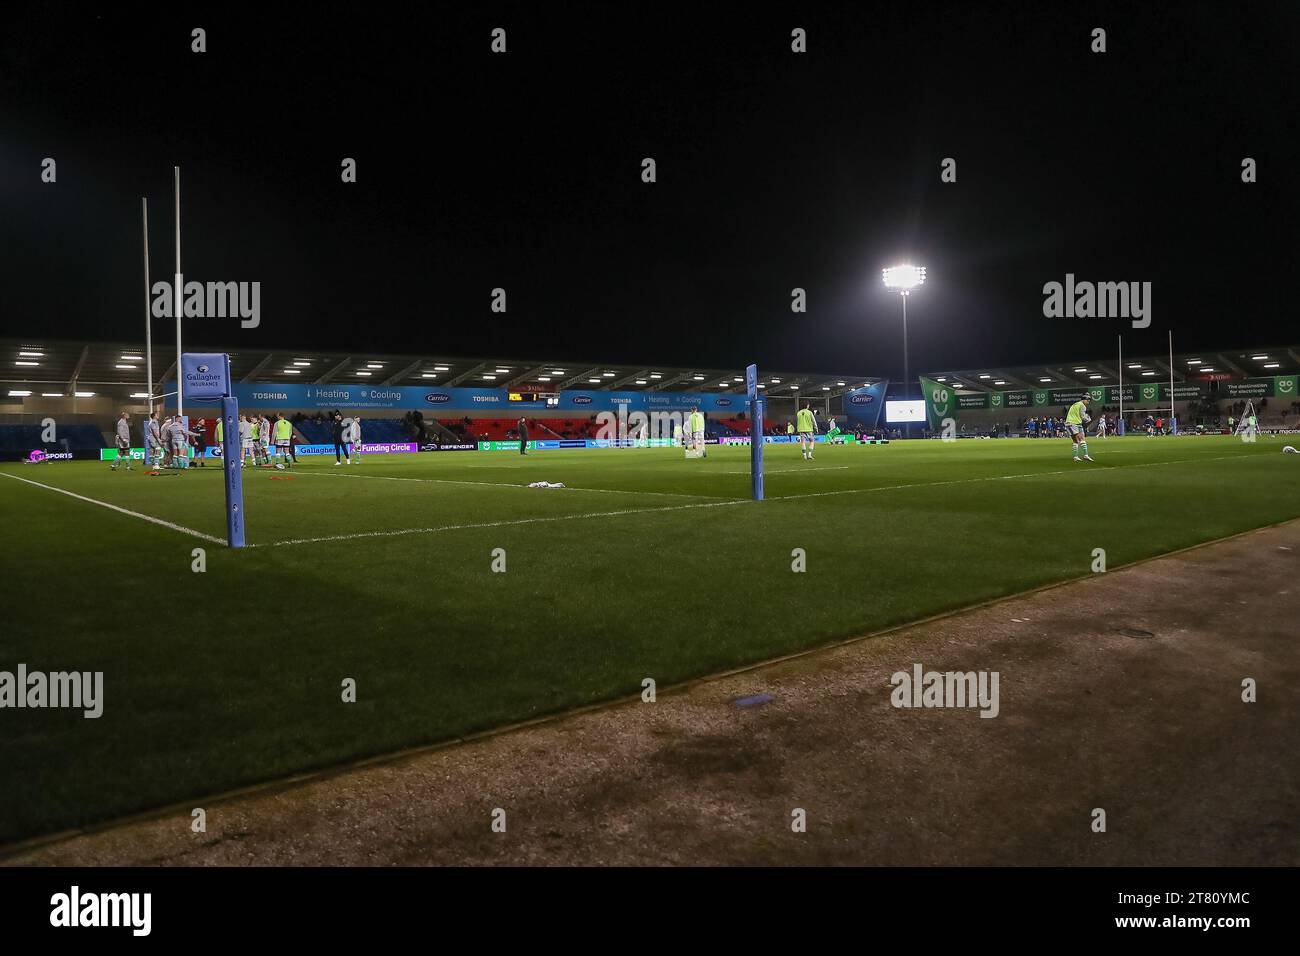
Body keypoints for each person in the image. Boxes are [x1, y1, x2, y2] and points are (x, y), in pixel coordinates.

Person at [1065, 395, 1094, 462]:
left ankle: (1079, 456)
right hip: (1074, 423)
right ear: (1083, 400)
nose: (1088, 402)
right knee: (1080, 439)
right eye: (1087, 400)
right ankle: (1083, 456)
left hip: (1072, 423)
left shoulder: (1075, 404)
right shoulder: (1082, 406)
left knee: (1077, 440)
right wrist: (1088, 419)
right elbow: (1083, 416)